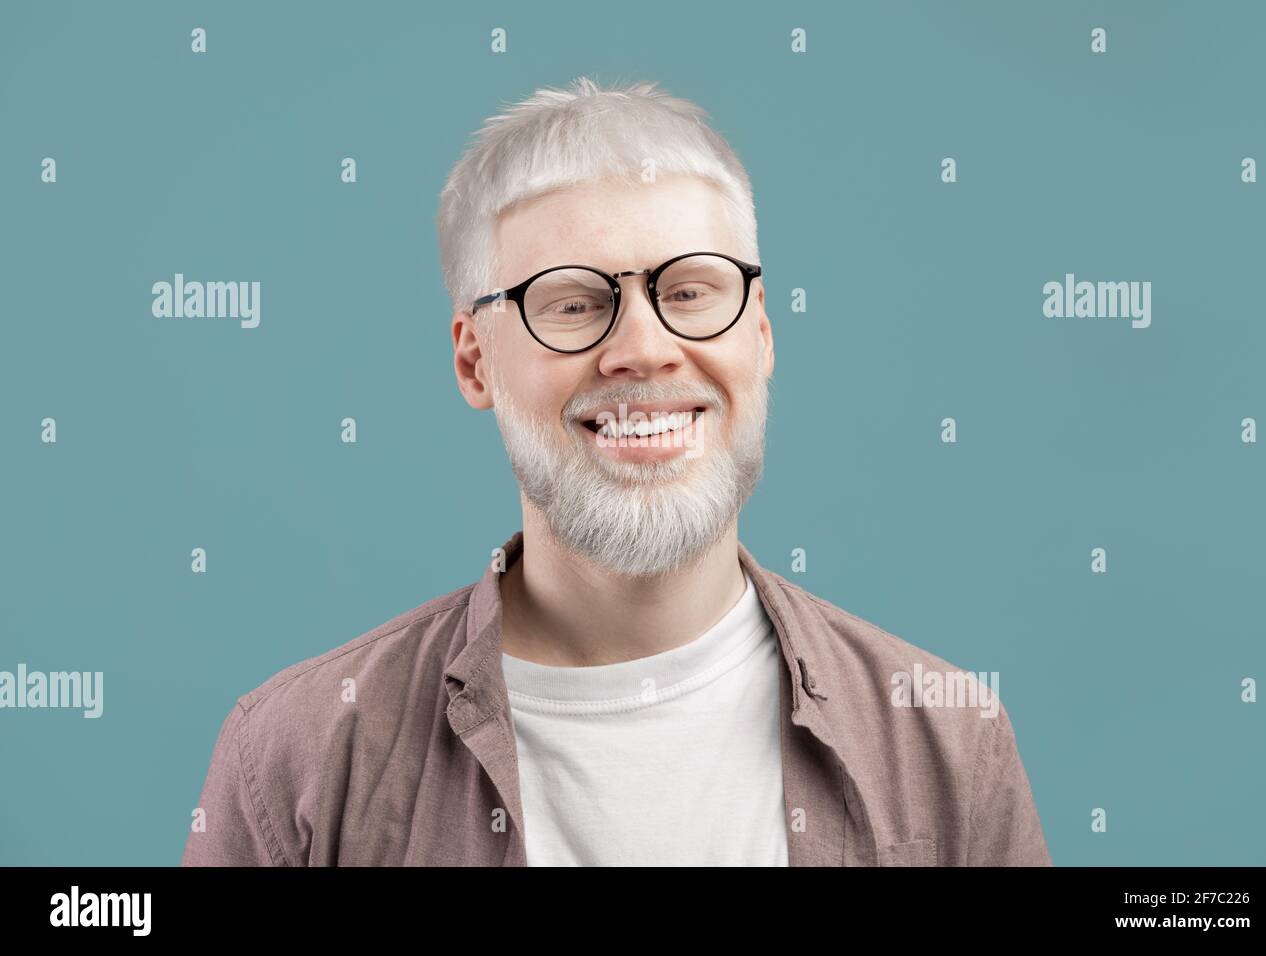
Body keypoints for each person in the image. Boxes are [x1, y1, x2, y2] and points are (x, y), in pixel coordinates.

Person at [182, 76, 1051, 867]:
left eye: (690, 292)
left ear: (761, 334)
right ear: (475, 360)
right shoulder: (297, 759)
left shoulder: (946, 741)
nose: (642, 349)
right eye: (573, 302)